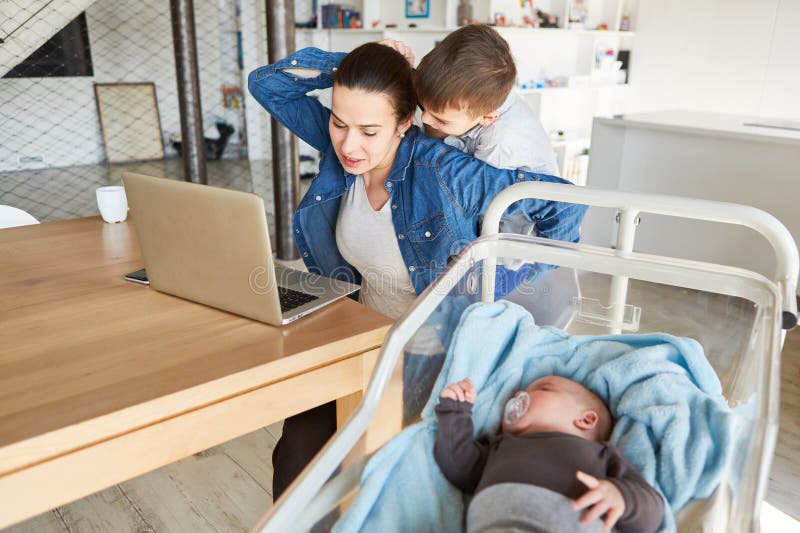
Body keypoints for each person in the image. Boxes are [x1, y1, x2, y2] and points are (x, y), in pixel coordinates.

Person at [248, 42, 587, 500]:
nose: (349, 145)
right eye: (339, 122)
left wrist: (505, 276)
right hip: (361, 337)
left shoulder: (445, 170)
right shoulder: (343, 152)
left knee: (378, 470)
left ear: (406, 121)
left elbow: (565, 207)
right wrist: (354, 66)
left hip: (428, 353)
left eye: (369, 130)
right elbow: (267, 85)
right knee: (297, 453)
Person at [434, 376, 665, 533]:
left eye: (543, 388)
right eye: (519, 392)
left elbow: (653, 514)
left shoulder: (602, 455)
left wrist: (621, 496)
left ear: (585, 419)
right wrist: (455, 411)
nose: (518, 395)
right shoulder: (499, 445)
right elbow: (459, 465)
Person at [414, 24, 559, 177]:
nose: (424, 118)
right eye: (423, 106)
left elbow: (472, 184)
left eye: (441, 120)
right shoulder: (482, 96)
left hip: (527, 189)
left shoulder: (500, 142)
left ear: (487, 117)